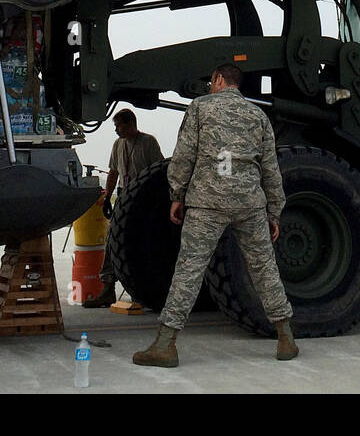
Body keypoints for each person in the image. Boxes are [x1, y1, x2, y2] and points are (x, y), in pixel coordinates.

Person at [132, 63, 296, 367]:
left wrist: (177, 195)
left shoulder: (199, 108)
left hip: (207, 202)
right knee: (264, 269)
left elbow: (184, 155)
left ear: (219, 79)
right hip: (249, 203)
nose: (209, 87)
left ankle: (166, 345)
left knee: (189, 270)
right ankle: (286, 338)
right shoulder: (258, 116)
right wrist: (274, 212)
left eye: (211, 82)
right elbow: (271, 170)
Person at [82, 108, 162, 308]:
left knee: (141, 244)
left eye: (119, 125)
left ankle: (141, 290)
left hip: (143, 199)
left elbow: (159, 172)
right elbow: (113, 172)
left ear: (130, 124)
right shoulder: (118, 144)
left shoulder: (148, 143)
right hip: (123, 197)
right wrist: (108, 197)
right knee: (112, 242)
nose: (116, 130)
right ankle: (107, 289)